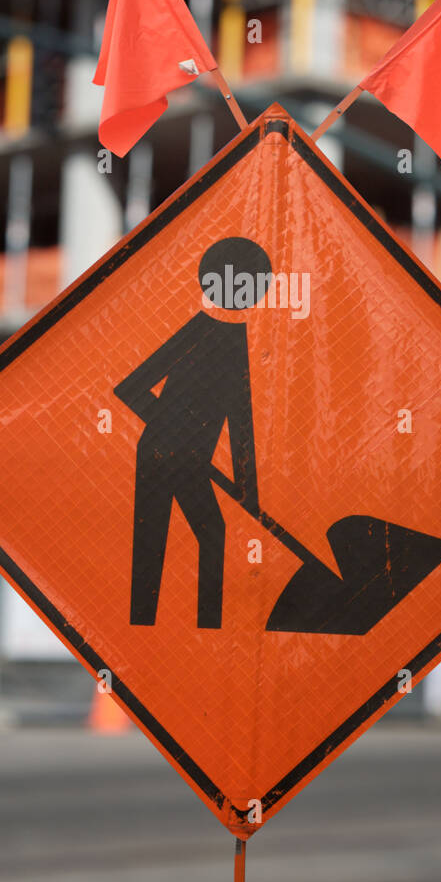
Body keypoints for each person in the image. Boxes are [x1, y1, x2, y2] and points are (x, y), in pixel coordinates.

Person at [114, 237, 270, 629]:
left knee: (211, 533)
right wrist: (170, 425)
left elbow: (240, 422)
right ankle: (145, 625)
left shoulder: (236, 343)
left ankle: (206, 627)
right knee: (153, 540)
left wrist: (247, 488)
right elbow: (130, 387)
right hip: (158, 452)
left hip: (191, 460)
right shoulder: (196, 331)